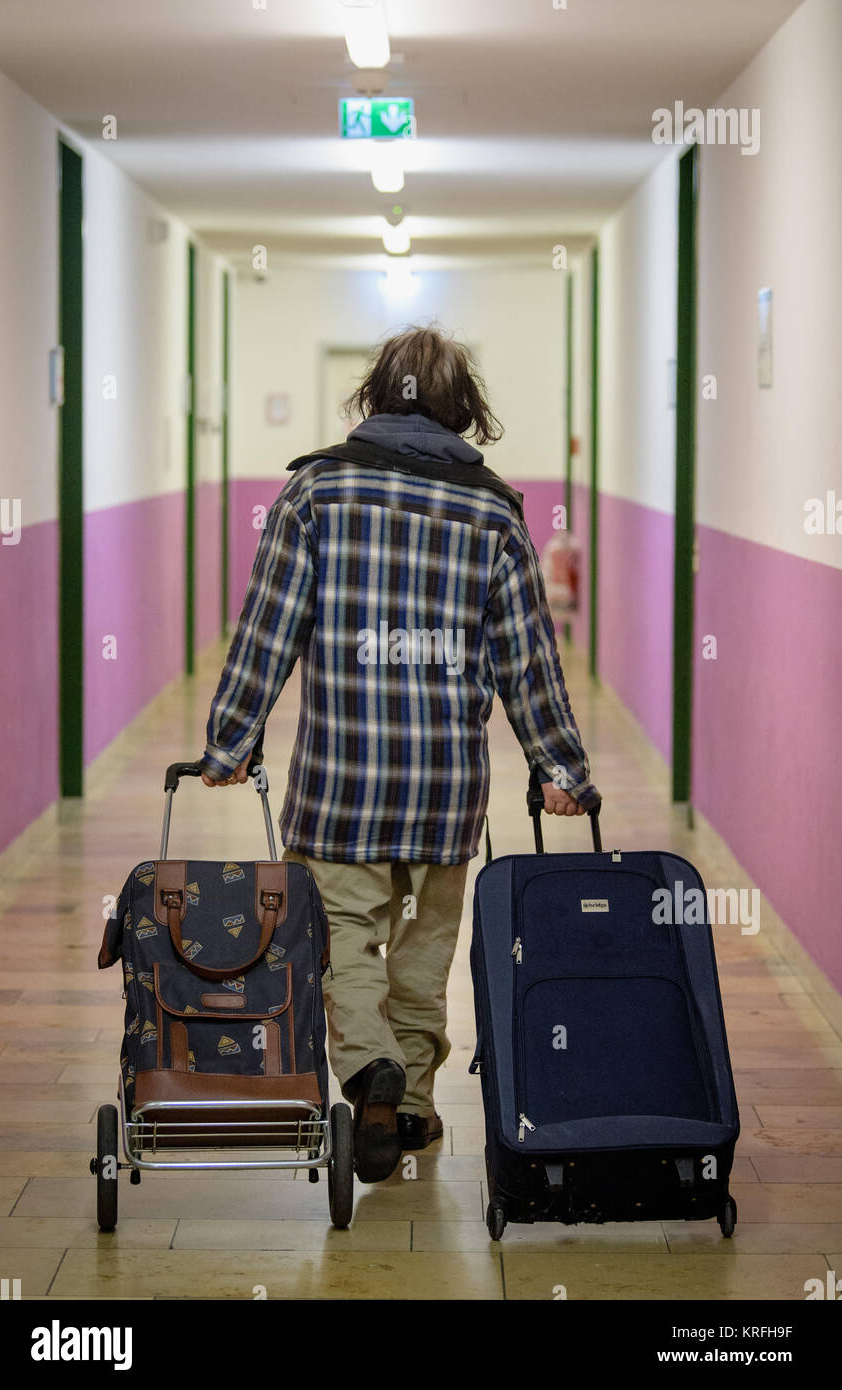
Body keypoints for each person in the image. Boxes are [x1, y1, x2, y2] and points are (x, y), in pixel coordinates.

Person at [199, 324, 601, 1183]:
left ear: (375, 397)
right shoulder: (493, 512)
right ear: (464, 411)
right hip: (445, 788)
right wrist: (558, 767)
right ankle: (411, 1107)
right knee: (426, 948)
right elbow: (525, 656)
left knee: (343, 937)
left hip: (341, 782)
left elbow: (267, 631)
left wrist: (230, 741)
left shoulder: (315, 495)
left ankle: (369, 1073)